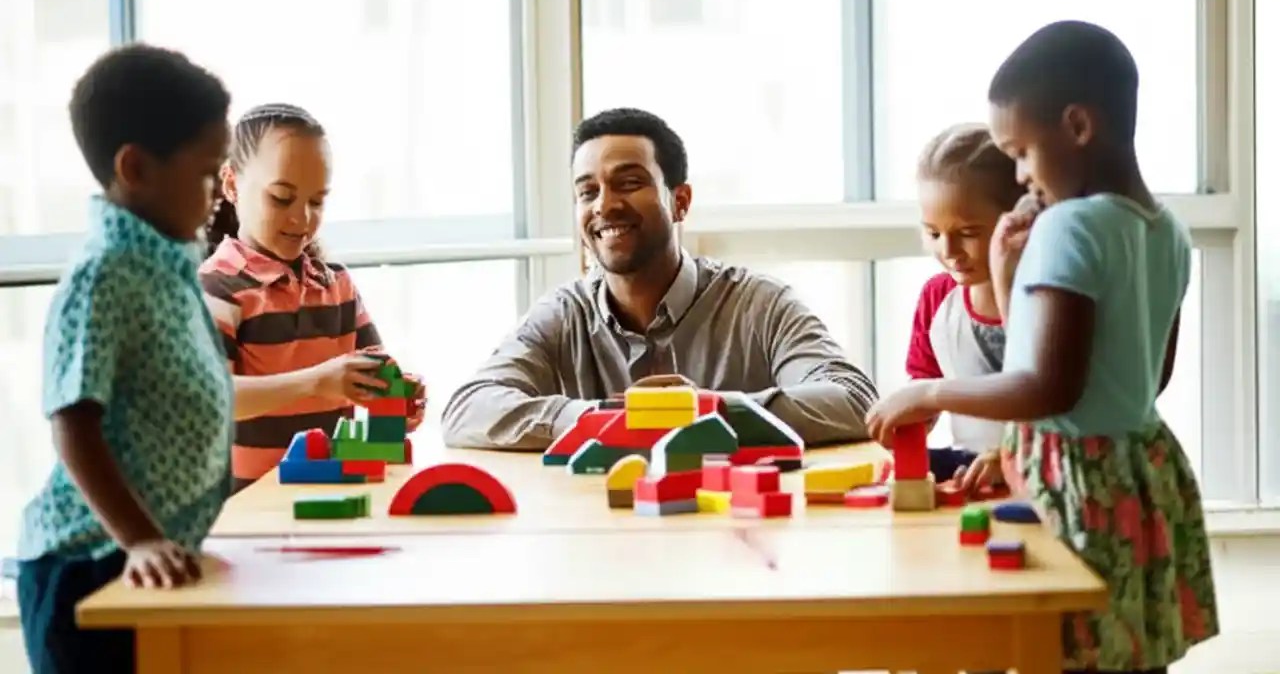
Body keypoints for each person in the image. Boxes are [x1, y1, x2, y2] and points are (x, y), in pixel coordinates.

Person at [866, 21, 1218, 673]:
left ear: (1078, 126)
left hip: (1076, 482)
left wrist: (929, 391)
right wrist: (1006, 275)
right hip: (1143, 470)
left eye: (1023, 152)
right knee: (1127, 648)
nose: (1023, 177)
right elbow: (1151, 375)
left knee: (1063, 650)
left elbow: (1047, 387)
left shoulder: (1068, 226)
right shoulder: (1167, 229)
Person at [443, 107, 877, 450]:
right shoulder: (562, 313)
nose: (605, 206)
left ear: (680, 201)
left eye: (629, 183)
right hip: (597, 534)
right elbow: (467, 410)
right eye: (587, 192)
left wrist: (706, 411)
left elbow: (855, 400)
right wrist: (603, 419)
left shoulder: (760, 305)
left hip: (735, 537)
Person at [18, 44, 234, 674]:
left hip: (154, 557)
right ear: (135, 168)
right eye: (206, 172)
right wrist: (138, 539)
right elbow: (74, 419)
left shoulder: (169, 264)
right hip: (89, 567)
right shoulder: (104, 275)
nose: (218, 193)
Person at [200, 103, 425, 492]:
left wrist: (399, 397)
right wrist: (316, 383)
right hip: (250, 519)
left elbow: (369, 380)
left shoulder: (337, 285)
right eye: (281, 198)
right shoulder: (216, 289)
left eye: (316, 201)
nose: (302, 219)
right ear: (232, 184)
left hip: (334, 501)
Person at [906, 123, 1023, 492]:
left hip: (1042, 482)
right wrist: (907, 426)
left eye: (969, 233)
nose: (949, 251)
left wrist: (1008, 458)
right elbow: (923, 390)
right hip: (972, 478)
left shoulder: (1043, 300)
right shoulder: (937, 298)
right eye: (934, 233)